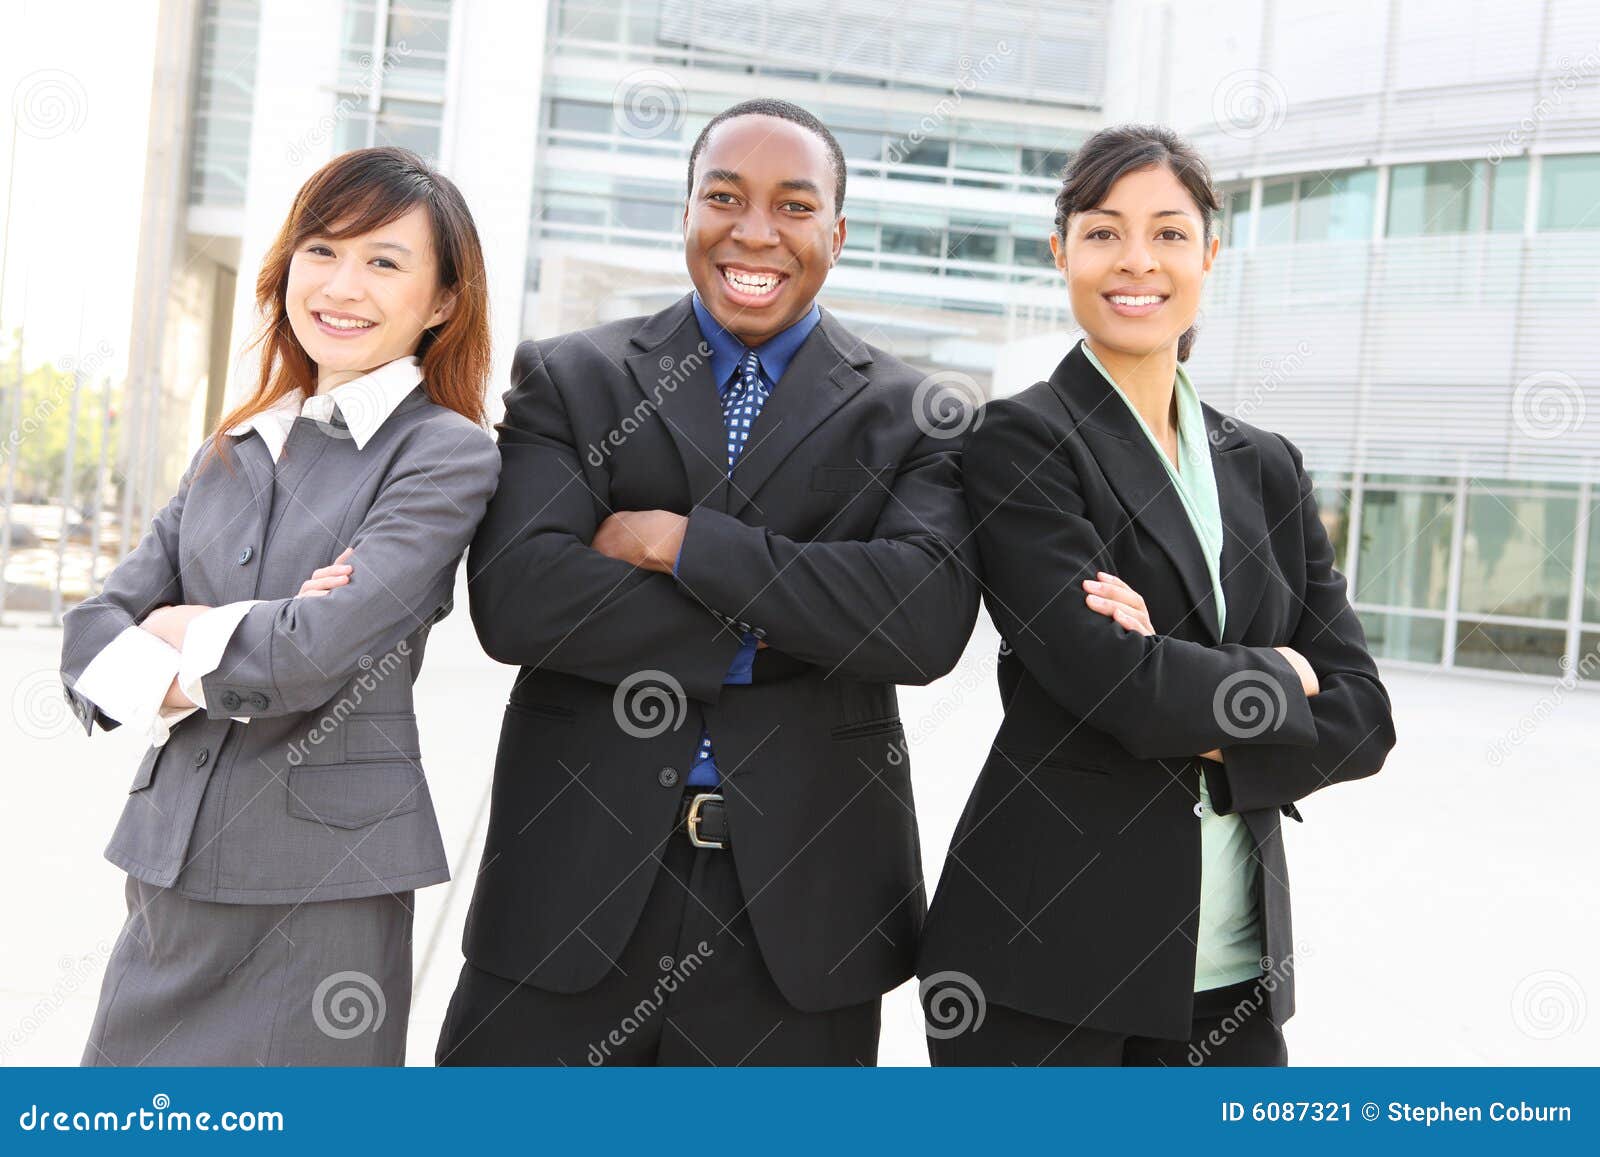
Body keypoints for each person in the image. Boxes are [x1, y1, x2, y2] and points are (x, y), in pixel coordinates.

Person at [435, 99, 980, 1066]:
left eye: (794, 206)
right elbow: (519, 595)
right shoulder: (572, 378)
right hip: (569, 896)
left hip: (801, 921)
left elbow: (923, 622)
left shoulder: (917, 415)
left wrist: (683, 545)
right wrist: (782, 627)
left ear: (837, 233)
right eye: (724, 197)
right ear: (685, 213)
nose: (755, 232)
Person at [916, 124, 1397, 1066]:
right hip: (1044, 964)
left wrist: (1189, 680)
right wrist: (1283, 673)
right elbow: (1111, 684)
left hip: (1234, 972)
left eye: (1170, 233)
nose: (1137, 260)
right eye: (1103, 232)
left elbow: (1368, 717)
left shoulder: (1265, 465)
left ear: (1210, 253)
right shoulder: (1021, 442)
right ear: (1062, 252)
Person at [60, 146, 501, 1066]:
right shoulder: (233, 444)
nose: (343, 285)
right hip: (168, 871)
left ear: (444, 302)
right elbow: (90, 639)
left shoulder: (443, 452)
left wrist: (181, 630)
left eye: (384, 261)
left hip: (319, 889)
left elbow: (316, 650)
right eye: (322, 251)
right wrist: (221, 639)